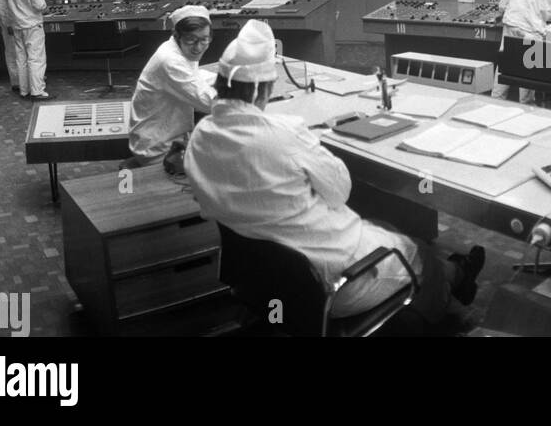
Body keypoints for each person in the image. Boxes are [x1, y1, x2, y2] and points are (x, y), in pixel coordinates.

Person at [185, 20, 485, 330]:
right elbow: (340, 190)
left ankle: (458, 273)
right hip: (329, 285)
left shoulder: (200, 136)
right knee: (419, 251)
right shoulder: (283, 134)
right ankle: (445, 306)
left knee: (381, 227)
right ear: (262, 88)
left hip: (261, 279)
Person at [124, 5, 218, 168]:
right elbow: (211, 103)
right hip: (157, 149)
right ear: (177, 36)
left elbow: (194, 76)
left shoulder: (176, 50)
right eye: (191, 40)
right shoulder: (170, 61)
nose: (198, 47)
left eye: (204, 39)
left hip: (167, 138)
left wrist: (234, 75)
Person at [0, 0, 52, 100]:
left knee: (21, 59)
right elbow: (40, 5)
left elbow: (6, 4)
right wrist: (45, 8)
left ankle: (24, 90)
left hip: (17, 26)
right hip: (32, 26)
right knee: (36, 59)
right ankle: (37, 92)